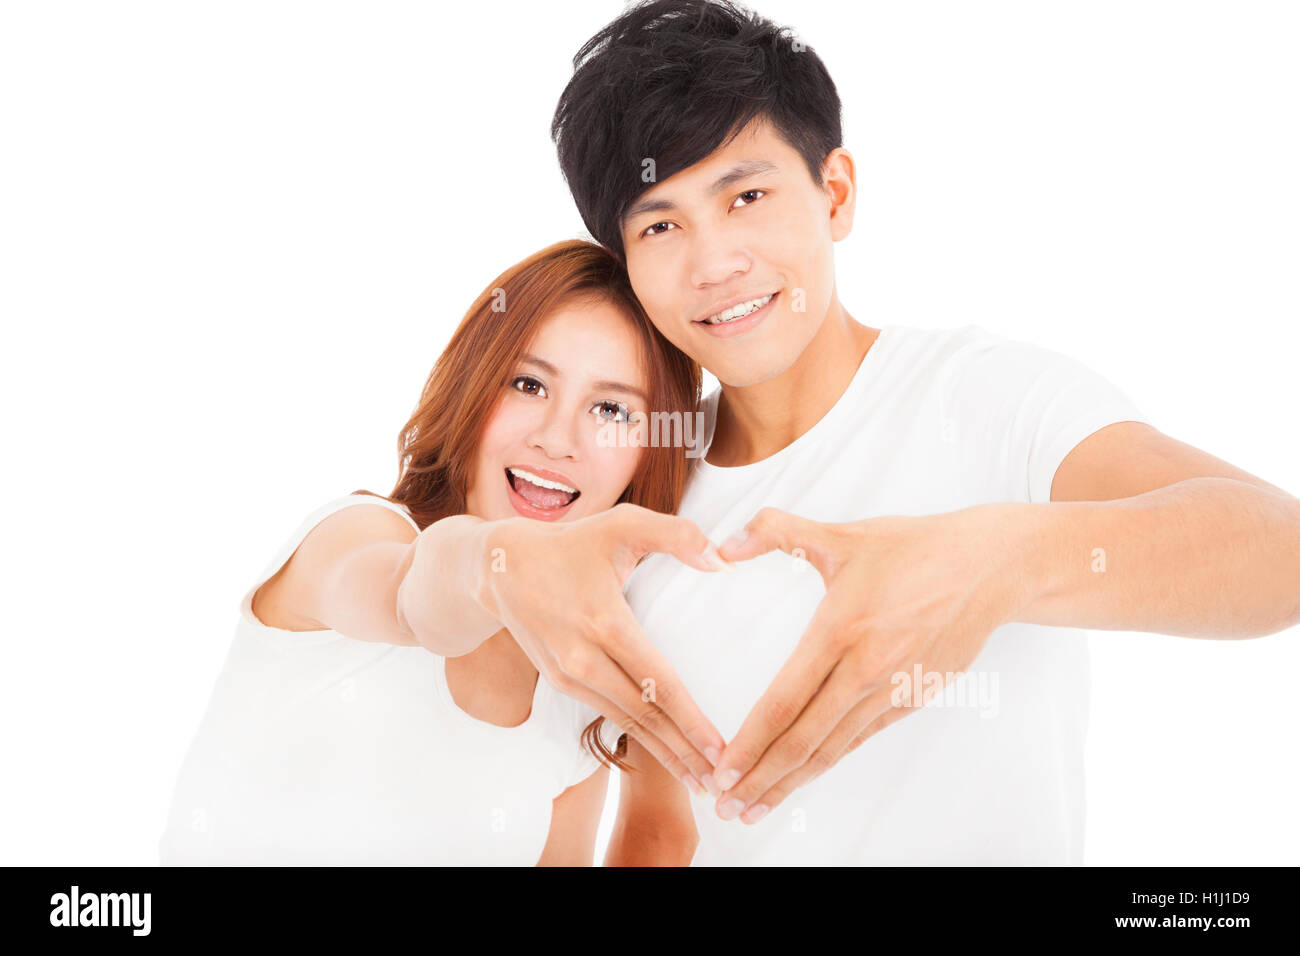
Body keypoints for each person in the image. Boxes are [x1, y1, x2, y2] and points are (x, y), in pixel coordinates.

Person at [543, 0, 1300, 864]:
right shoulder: (640, 486)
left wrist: (995, 565)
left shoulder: (983, 395)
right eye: (660, 224)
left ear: (835, 192)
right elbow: (653, 830)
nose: (714, 263)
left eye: (746, 195)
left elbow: (1281, 551)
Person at [158, 239, 724, 865]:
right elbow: (413, 596)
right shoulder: (350, 536)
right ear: (475, 387)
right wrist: (494, 563)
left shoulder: (573, 691)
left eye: (611, 408)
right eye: (529, 383)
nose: (557, 439)